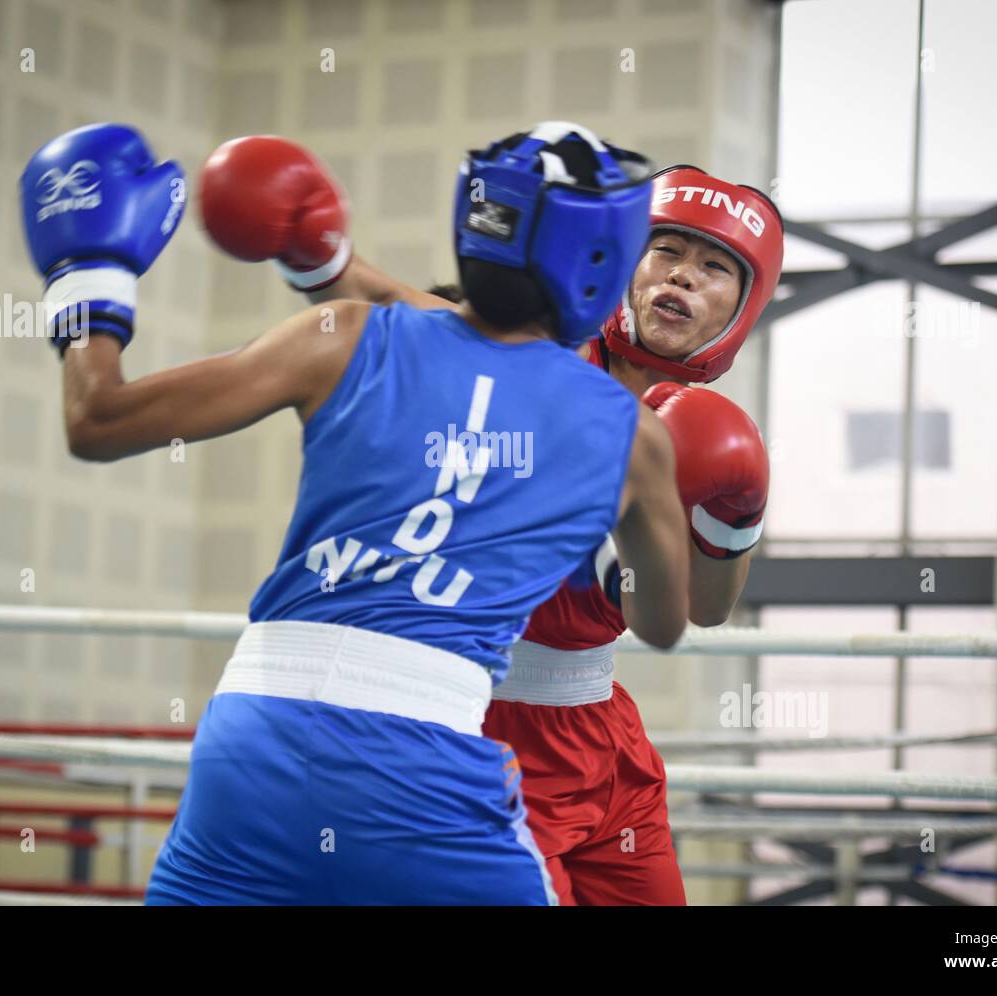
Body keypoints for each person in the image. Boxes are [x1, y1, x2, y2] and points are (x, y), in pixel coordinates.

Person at [18, 121, 693, 904]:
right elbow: (665, 623)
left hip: (250, 744)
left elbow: (96, 420)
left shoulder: (337, 335)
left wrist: (89, 270)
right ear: (600, 261)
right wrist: (629, 536)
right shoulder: (631, 435)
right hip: (424, 763)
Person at [250, 139, 783, 904]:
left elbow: (707, 607)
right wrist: (321, 260)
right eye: (666, 249)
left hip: (604, 737)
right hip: (489, 730)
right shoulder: (543, 353)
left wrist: (739, 513)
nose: (683, 275)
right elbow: (414, 315)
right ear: (627, 263)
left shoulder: (713, 433)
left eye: (714, 267)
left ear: (742, 305)